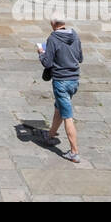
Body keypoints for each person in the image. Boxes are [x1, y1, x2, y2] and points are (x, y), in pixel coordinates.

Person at [37, 14, 83, 163]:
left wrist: (41, 54)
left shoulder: (53, 39)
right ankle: (50, 135)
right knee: (59, 108)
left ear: (52, 23)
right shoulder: (75, 36)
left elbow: (47, 63)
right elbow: (80, 58)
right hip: (74, 80)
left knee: (67, 116)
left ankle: (74, 152)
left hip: (61, 81)